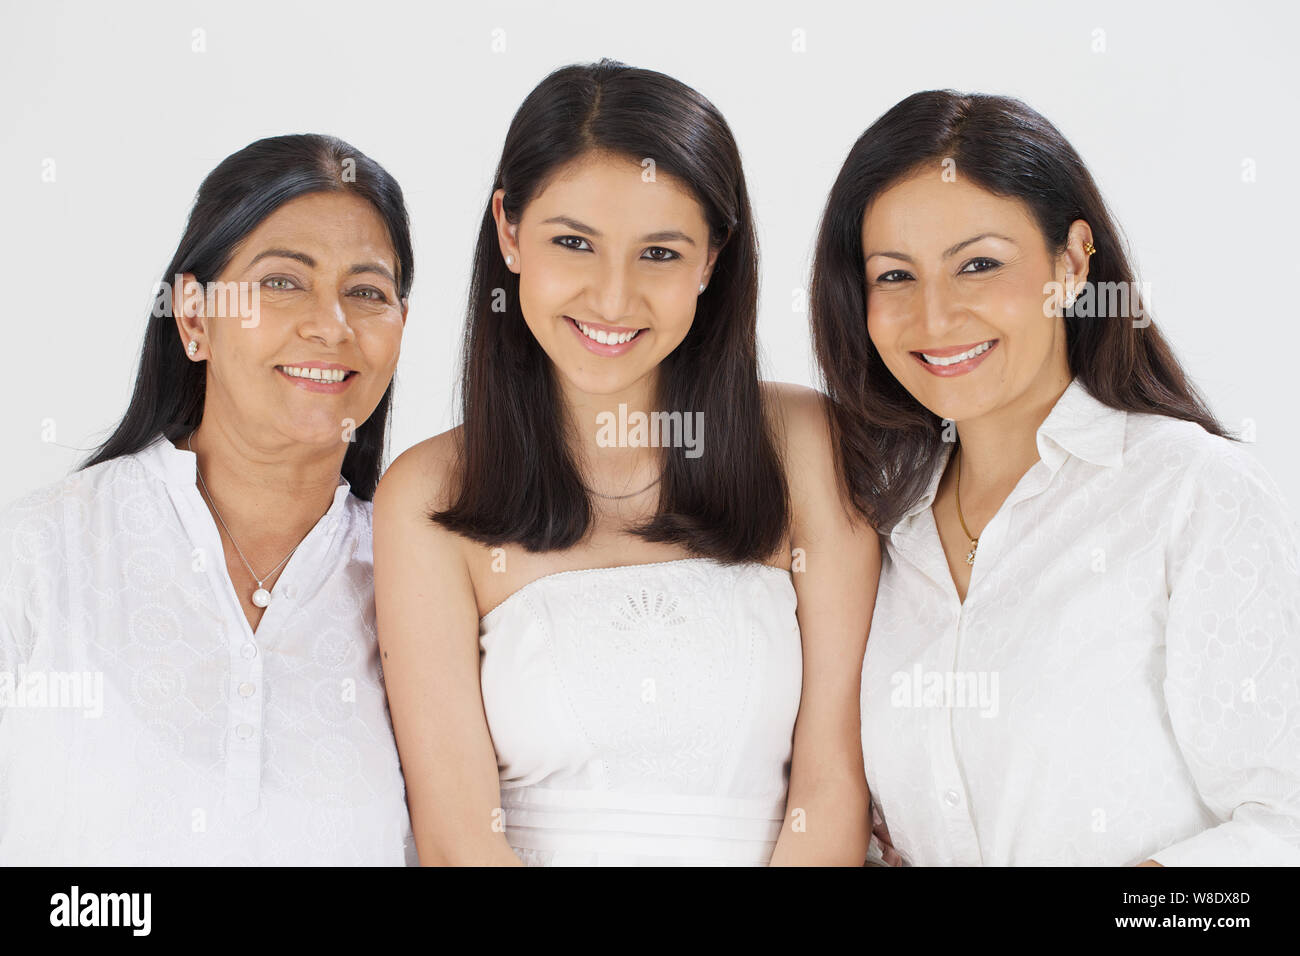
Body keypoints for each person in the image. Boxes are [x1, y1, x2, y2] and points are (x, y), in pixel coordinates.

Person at [374, 59, 878, 866]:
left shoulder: (805, 445)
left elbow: (835, 782)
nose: (612, 299)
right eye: (573, 242)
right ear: (507, 229)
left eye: (661, 253)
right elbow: (456, 835)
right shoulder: (428, 497)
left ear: (713, 260)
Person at [810, 89, 1300, 866]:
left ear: (1072, 262)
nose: (935, 319)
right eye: (895, 276)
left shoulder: (1191, 493)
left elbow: (1285, 831)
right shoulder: (877, 529)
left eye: (978, 265)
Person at [0, 134, 417, 865]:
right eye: (283, 282)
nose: (332, 324)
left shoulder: (419, 581)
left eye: (367, 291)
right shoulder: (41, 551)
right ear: (193, 317)